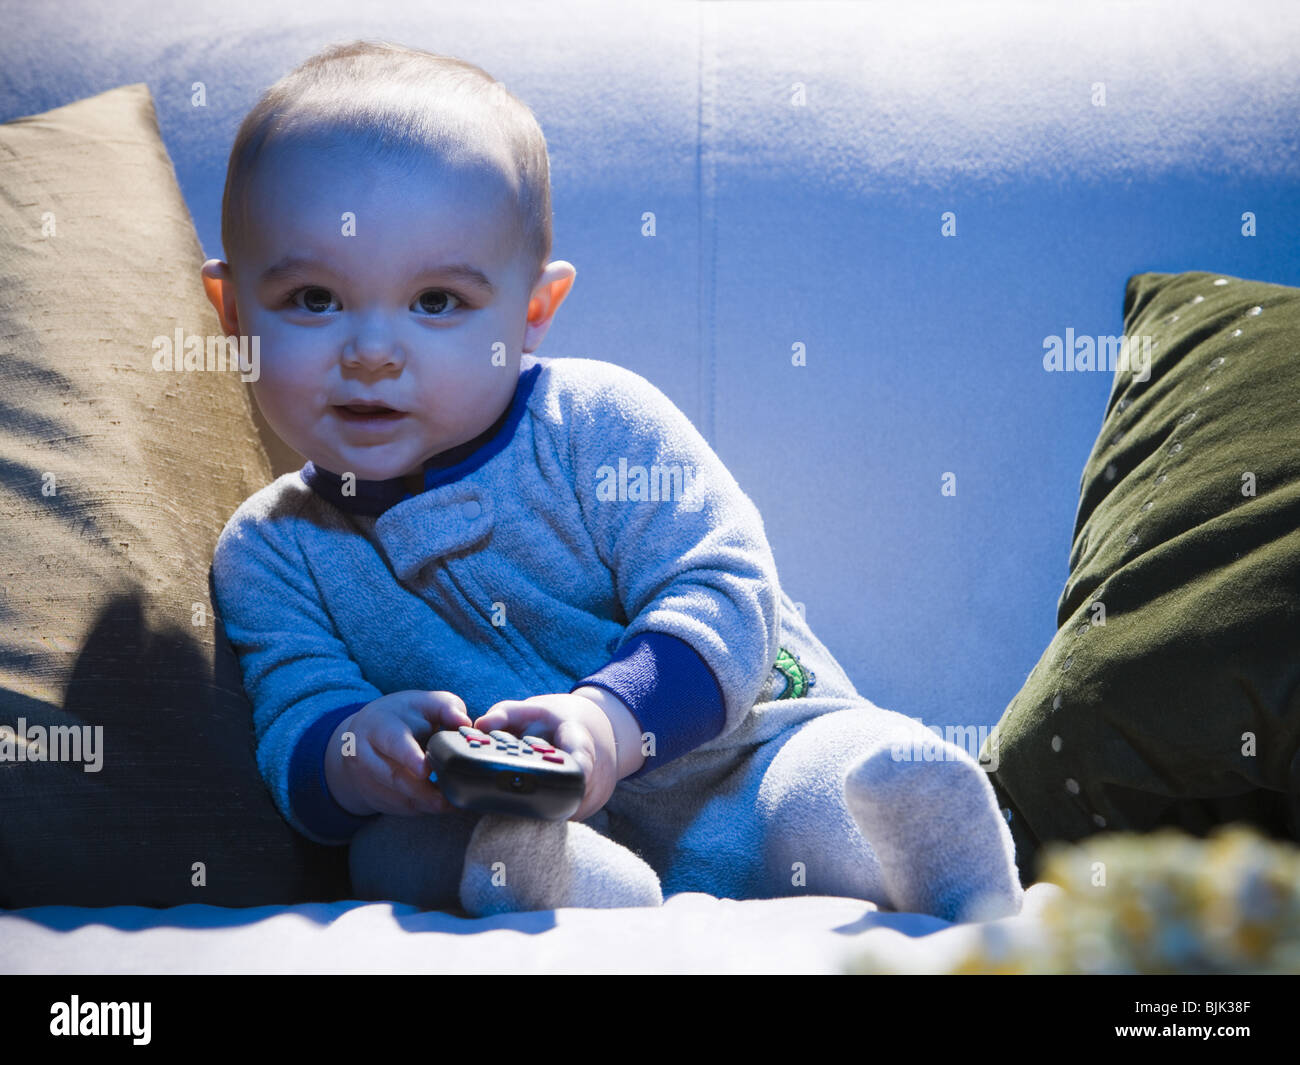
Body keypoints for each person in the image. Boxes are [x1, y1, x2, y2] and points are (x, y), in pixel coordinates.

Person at [205, 39, 1023, 921]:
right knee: (385, 854)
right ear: (232, 313)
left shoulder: (596, 423)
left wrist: (606, 720)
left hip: (739, 763)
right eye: (314, 300)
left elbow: (726, 588)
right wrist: (358, 756)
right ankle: (570, 883)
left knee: (836, 774)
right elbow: (295, 715)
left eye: (436, 301)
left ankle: (936, 850)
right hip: (507, 812)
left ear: (531, 316)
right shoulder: (269, 550)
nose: (371, 353)